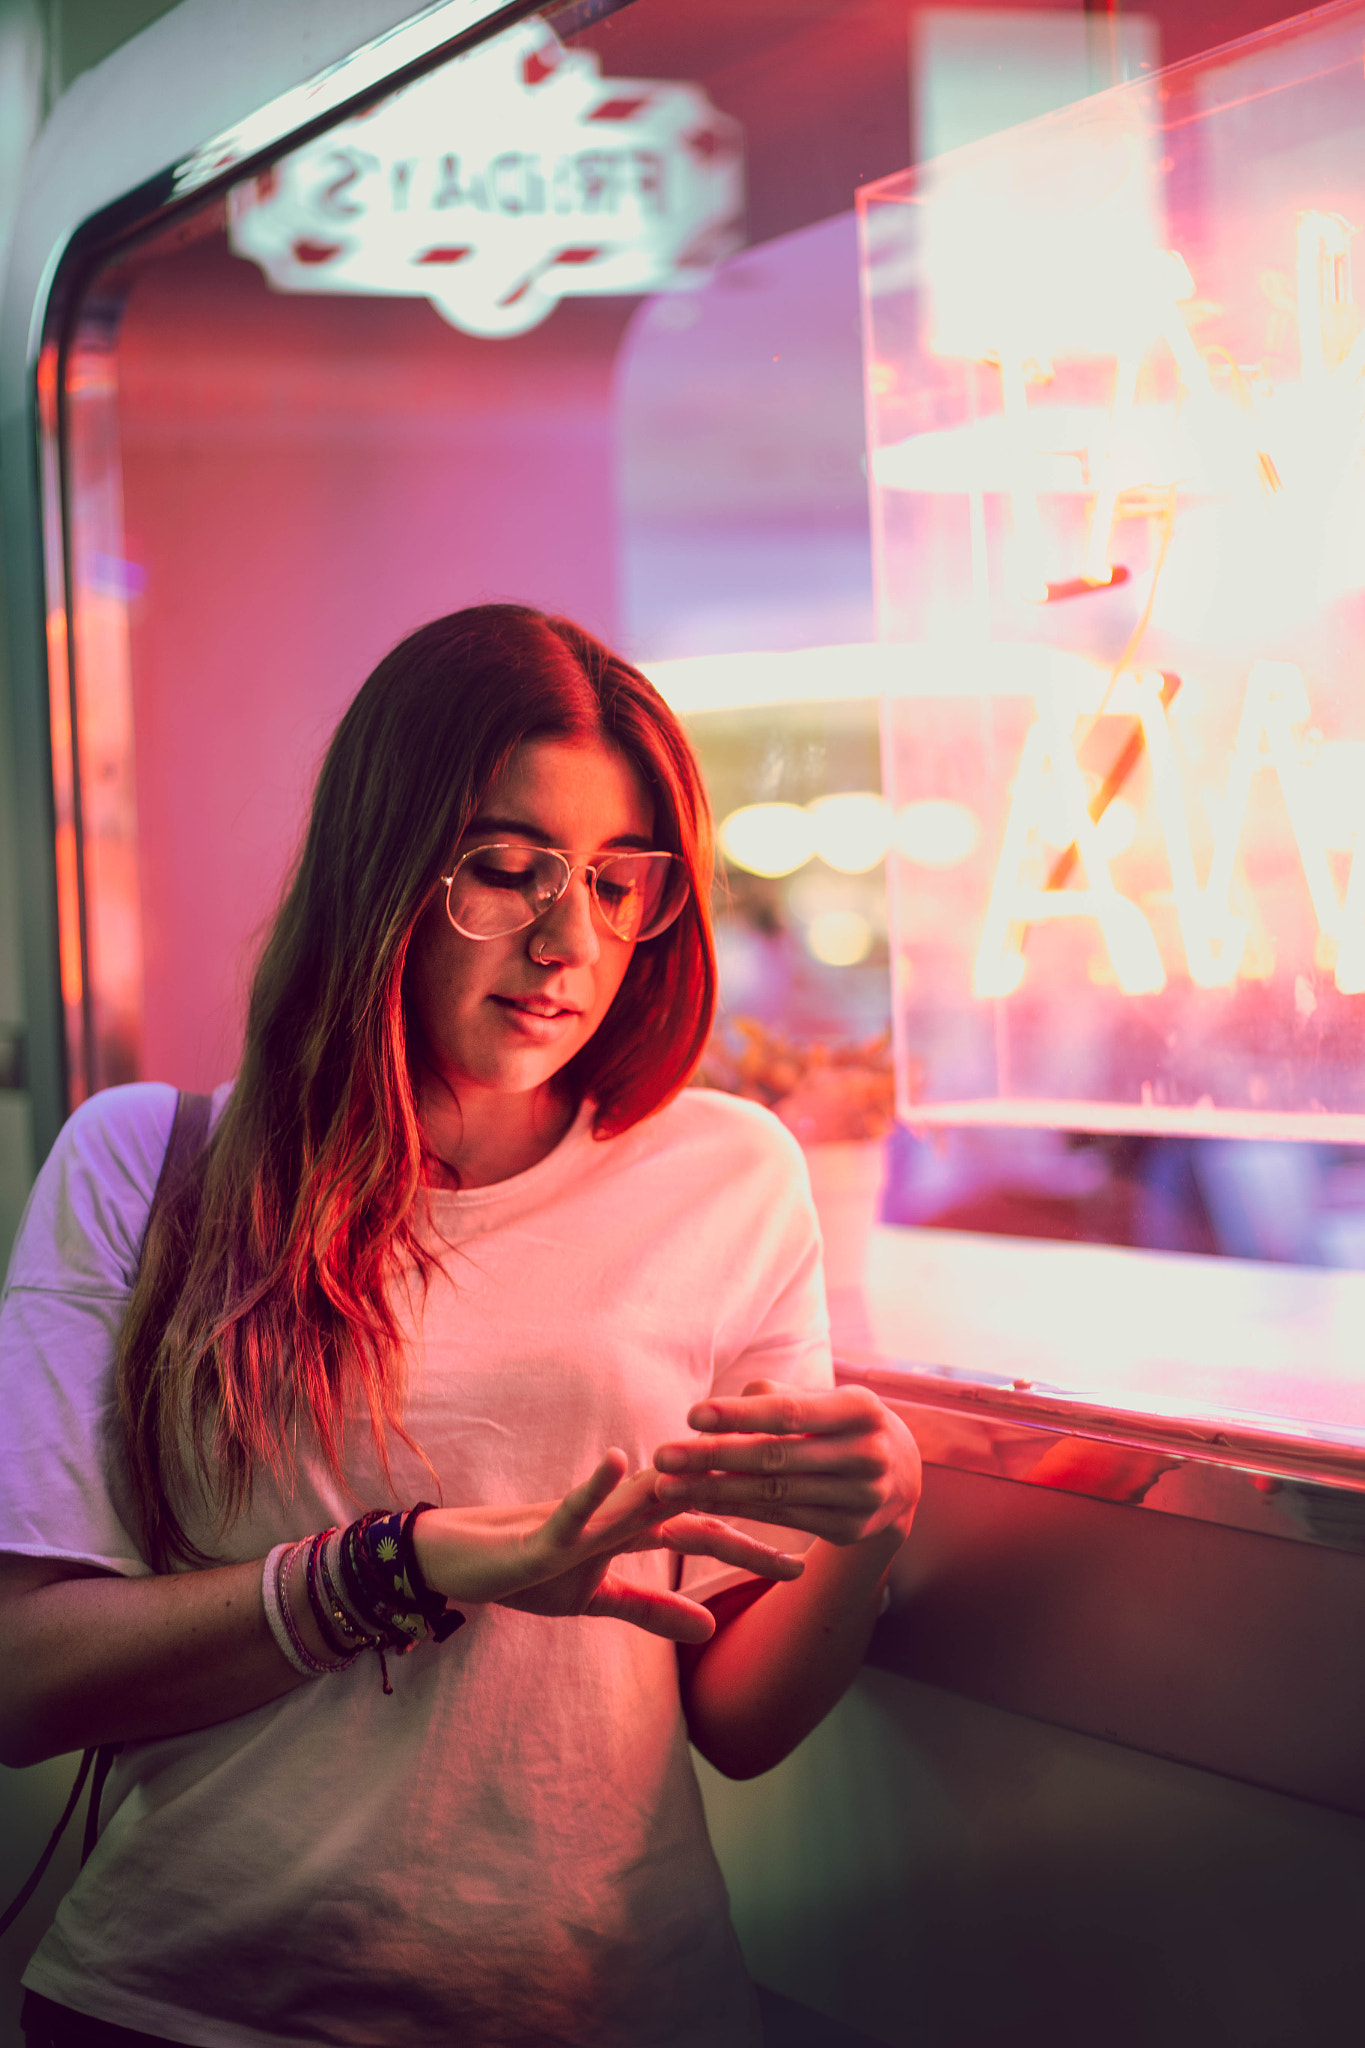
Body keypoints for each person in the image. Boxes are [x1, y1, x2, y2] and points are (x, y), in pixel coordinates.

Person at [0, 605, 921, 2048]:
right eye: (507, 871)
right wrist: (401, 1562)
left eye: (623, 885)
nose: (570, 939)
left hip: (611, 2001)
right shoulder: (146, 1166)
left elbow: (736, 1719)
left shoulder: (728, 1174)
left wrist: (875, 1519)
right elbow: (21, 1681)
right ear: (383, 869)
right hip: (192, 2006)